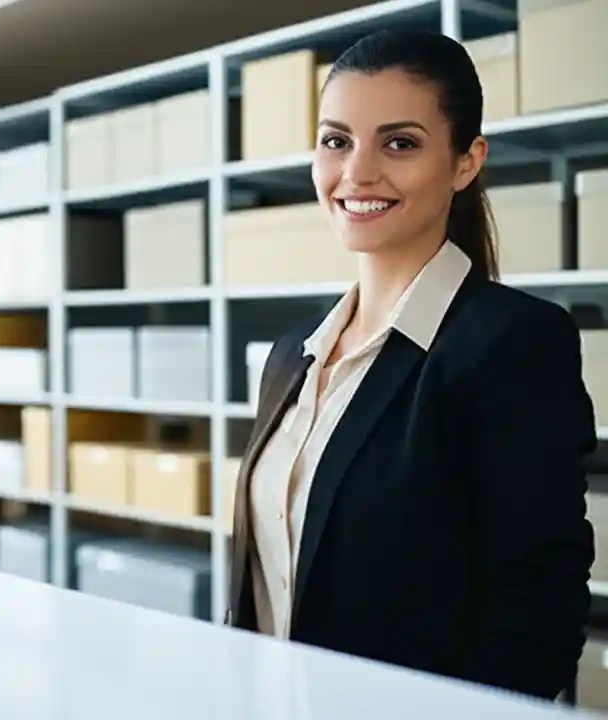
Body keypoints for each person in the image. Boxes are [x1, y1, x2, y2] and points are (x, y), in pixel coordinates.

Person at [224, 29, 598, 701]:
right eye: (337, 140)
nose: (357, 172)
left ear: (465, 162)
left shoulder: (512, 345)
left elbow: (535, 615)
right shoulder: (290, 357)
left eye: (399, 143)